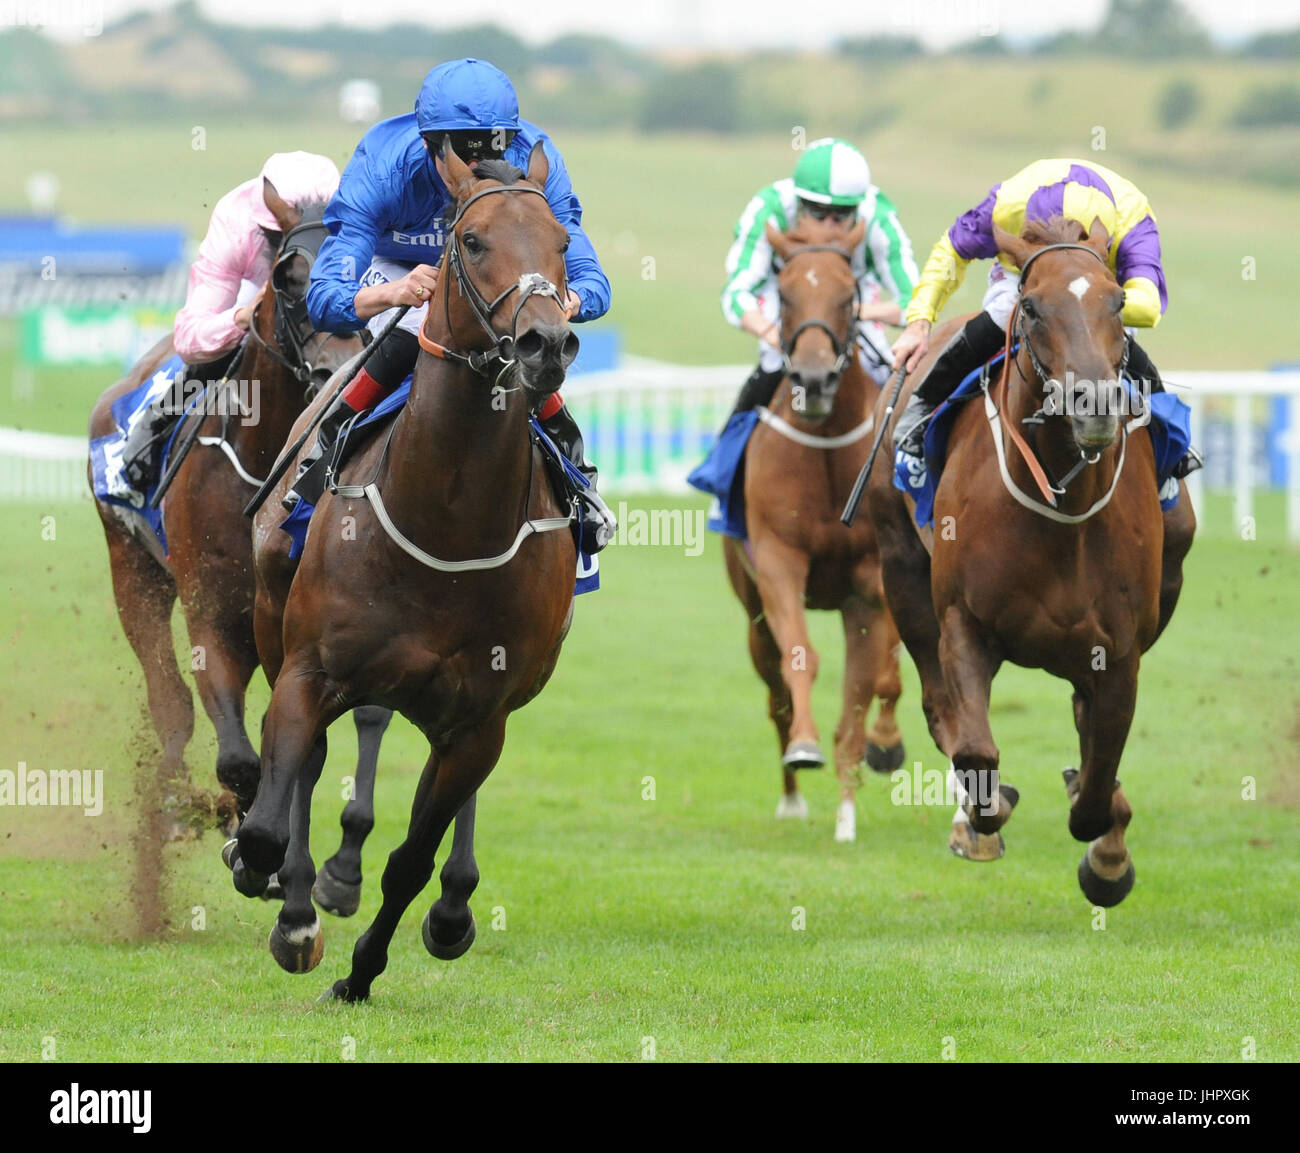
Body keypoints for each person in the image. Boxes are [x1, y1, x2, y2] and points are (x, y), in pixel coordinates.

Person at [296, 57, 615, 547]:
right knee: (417, 326)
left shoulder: (535, 159)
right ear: (430, 146)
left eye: (493, 148)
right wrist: (391, 293)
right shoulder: (384, 165)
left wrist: (564, 301)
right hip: (400, 268)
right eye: (464, 151)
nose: (480, 164)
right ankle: (325, 452)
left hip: (492, 270)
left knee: (522, 343)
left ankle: (577, 481)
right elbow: (325, 299)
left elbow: (593, 279)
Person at [891, 157, 1200, 476]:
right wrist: (919, 321)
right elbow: (951, 251)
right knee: (1001, 315)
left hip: (1094, 284)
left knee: (1115, 334)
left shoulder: (1131, 217)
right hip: (1029, 273)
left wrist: (1084, 308)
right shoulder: (1005, 207)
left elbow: (1147, 307)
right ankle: (922, 409)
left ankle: (1170, 438)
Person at [121, 151, 341, 487]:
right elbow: (189, 337)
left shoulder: (350, 217)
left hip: (329, 283)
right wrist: (243, 317)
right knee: (231, 343)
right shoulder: (236, 222)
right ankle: (157, 419)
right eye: (280, 235)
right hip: (256, 288)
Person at [720, 136, 918, 414]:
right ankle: (730, 449)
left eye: (841, 215)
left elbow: (917, 303)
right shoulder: (767, 211)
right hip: (789, 300)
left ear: (858, 207)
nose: (828, 227)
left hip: (851, 297)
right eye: (817, 212)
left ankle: (913, 452)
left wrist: (856, 311)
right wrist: (771, 333)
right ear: (799, 203)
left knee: (884, 371)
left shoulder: (879, 221)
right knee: (773, 365)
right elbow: (736, 294)